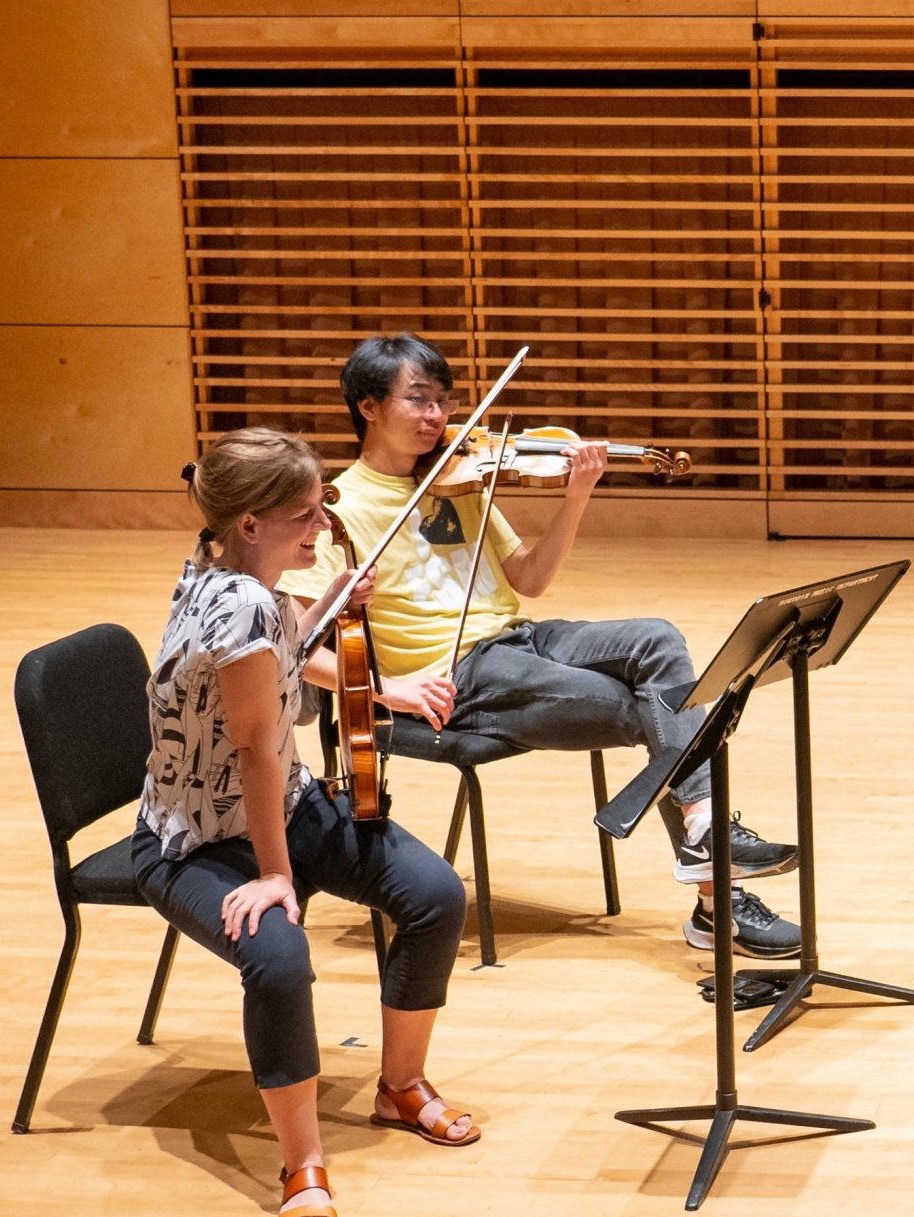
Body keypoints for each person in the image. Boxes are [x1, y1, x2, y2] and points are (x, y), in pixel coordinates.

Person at [280, 334, 802, 959]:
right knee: (661, 708)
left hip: (519, 640)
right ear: (368, 407)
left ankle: (702, 829)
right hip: (454, 678)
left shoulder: (456, 482)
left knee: (658, 641)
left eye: (444, 402)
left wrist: (575, 498)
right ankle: (721, 901)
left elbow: (528, 579)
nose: (437, 417)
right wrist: (389, 690)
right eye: (418, 400)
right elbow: (295, 648)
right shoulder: (338, 507)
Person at [134, 428, 477, 1217]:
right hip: (193, 842)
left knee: (435, 894)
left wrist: (341, 628)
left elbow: (279, 644)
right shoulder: (241, 604)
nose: (323, 526)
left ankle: (400, 1085)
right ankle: (302, 1163)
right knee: (281, 958)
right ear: (251, 523)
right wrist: (277, 874)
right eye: (307, 514)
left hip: (277, 805)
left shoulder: (219, 566)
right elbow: (256, 750)